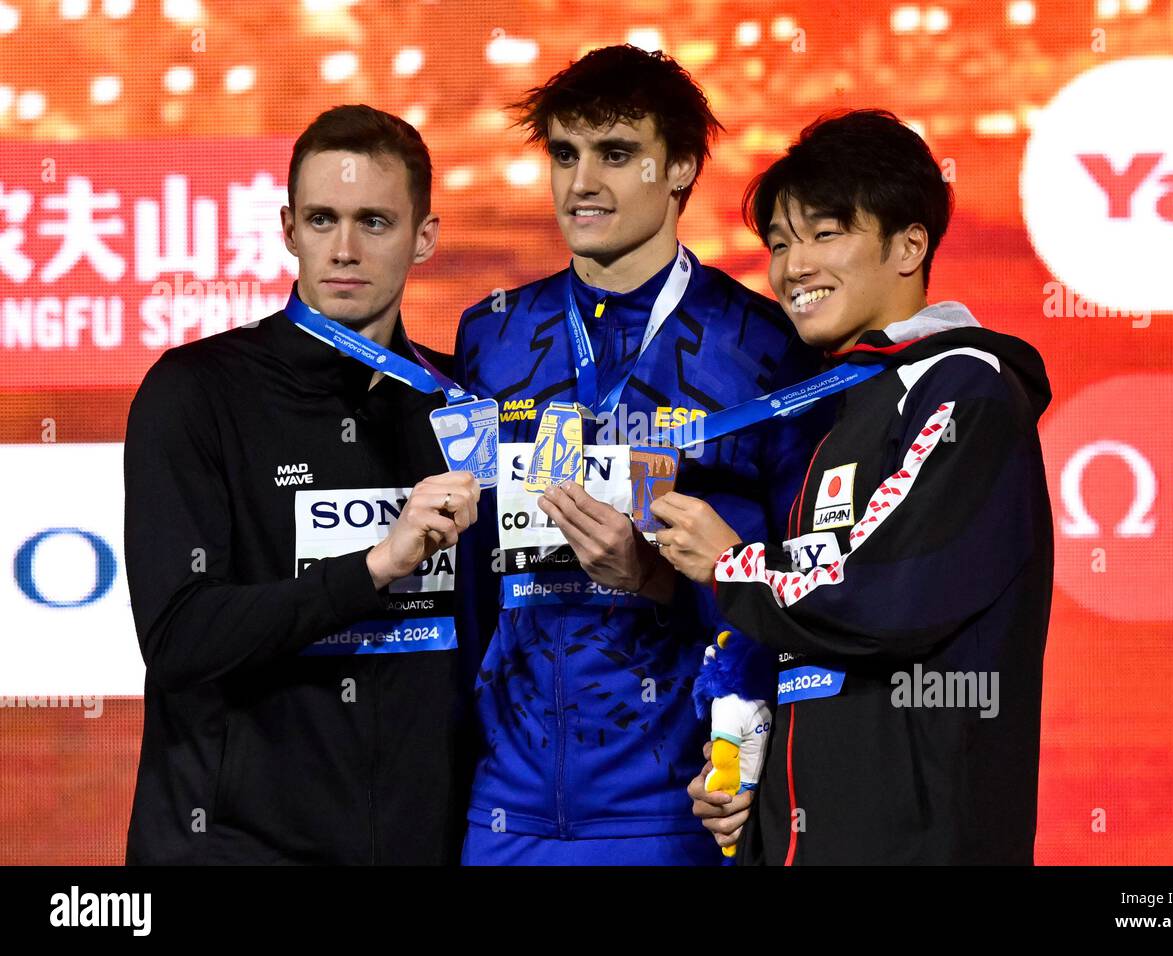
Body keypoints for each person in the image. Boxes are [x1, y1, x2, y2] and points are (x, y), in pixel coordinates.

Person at [454, 45, 824, 864]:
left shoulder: (763, 347)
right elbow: (474, 573)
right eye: (564, 154)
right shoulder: (492, 334)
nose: (582, 183)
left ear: (681, 166)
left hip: (678, 811)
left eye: (616, 155)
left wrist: (656, 581)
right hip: (503, 813)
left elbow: (794, 589)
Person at [653, 109, 1055, 864]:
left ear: (910, 245)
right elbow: (807, 651)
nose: (792, 267)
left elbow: (884, 594)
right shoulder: (833, 406)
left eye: (825, 233)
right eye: (778, 243)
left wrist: (731, 564)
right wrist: (745, 774)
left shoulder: (964, 388)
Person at [123, 104, 480, 864]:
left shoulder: (459, 406)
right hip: (232, 849)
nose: (344, 250)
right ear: (288, 230)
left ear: (425, 238)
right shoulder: (196, 391)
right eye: (322, 220)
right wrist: (375, 568)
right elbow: (180, 637)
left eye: (374, 223)